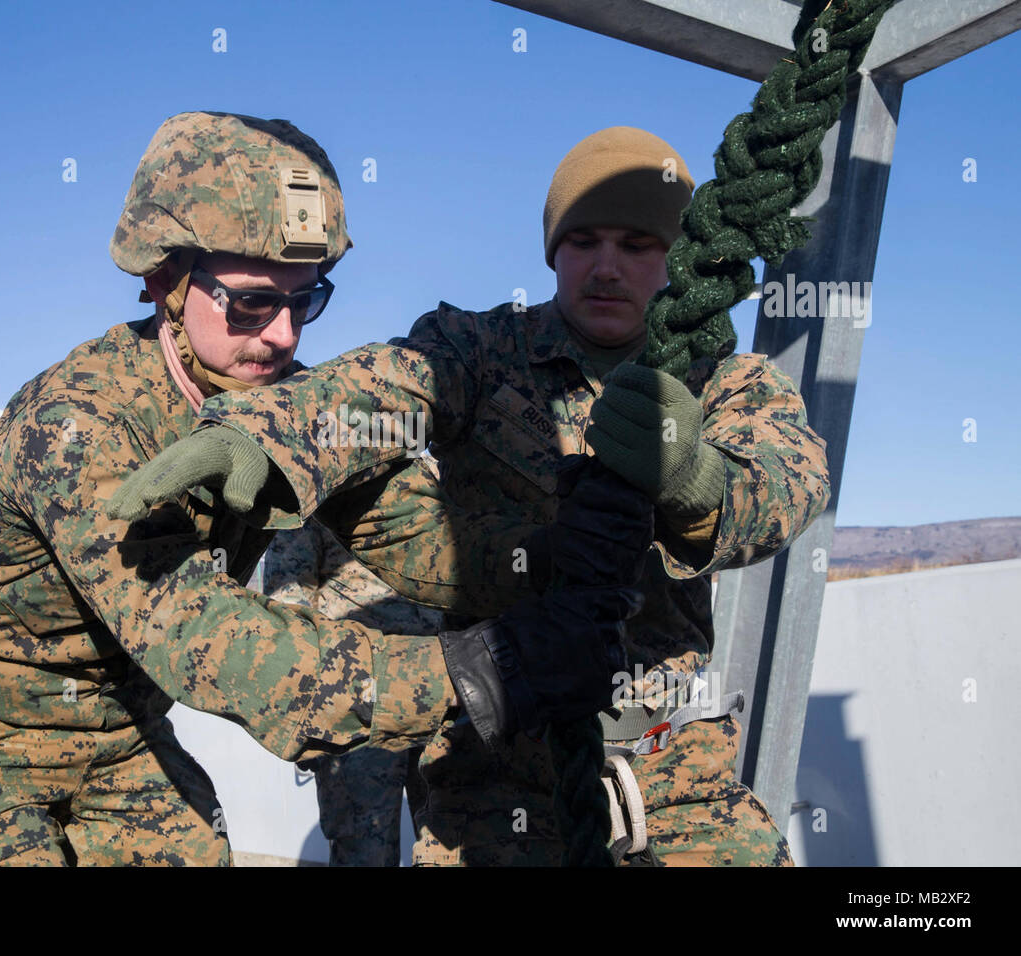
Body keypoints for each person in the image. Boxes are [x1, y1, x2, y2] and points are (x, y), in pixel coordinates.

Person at [0, 111, 648, 866]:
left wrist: (539, 557)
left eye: (304, 300)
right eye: (251, 303)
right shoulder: (79, 424)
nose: (282, 334)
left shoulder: (290, 410)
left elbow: (415, 532)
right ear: (166, 281)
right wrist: (478, 671)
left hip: (116, 733)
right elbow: (213, 643)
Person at [111, 126, 833, 866]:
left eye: (637, 245)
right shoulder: (480, 352)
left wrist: (692, 474)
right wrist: (264, 431)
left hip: (675, 775)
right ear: (554, 252)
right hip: (495, 784)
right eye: (582, 242)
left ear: (674, 257)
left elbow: (791, 482)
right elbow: (386, 386)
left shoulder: (723, 384)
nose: (606, 267)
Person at [262, 494, 443, 867]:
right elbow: (288, 614)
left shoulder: (440, 481)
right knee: (364, 851)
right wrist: (311, 715)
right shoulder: (319, 493)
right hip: (361, 714)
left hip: (445, 700)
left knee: (452, 845)